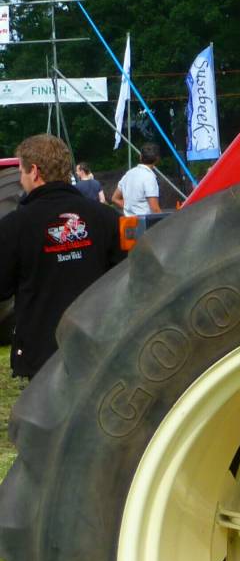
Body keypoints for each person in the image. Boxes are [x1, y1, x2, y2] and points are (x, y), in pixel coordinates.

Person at [0, 134, 125, 379]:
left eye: (22, 172)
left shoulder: (14, 226)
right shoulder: (107, 217)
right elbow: (126, 276)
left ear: (34, 172)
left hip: (42, 354)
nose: (22, 179)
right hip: (100, 345)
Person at [113, 143, 162, 216]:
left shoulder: (128, 174)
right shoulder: (149, 177)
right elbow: (154, 208)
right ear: (157, 159)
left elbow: (115, 198)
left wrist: (130, 208)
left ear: (140, 157)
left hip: (128, 222)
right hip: (145, 223)